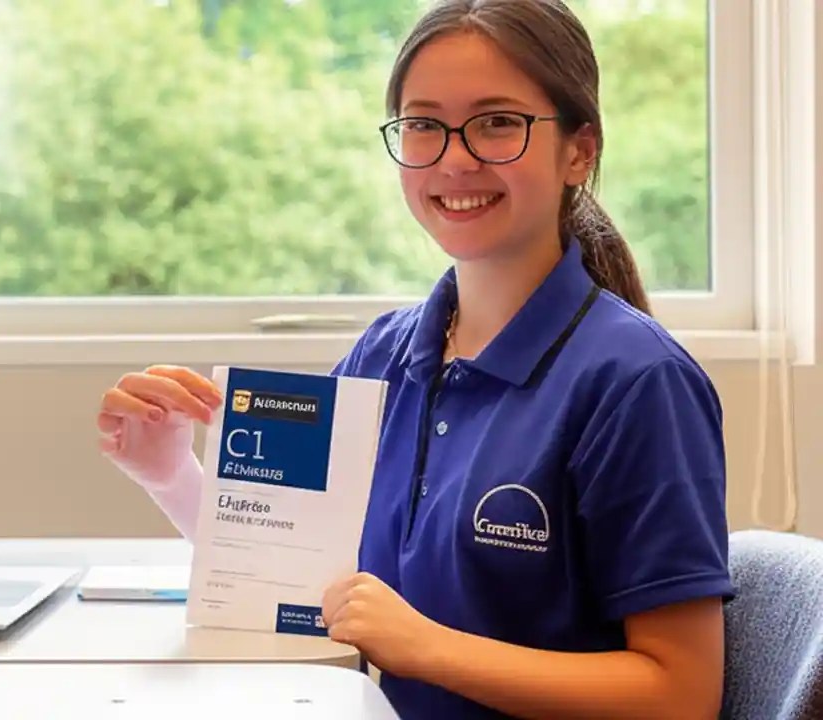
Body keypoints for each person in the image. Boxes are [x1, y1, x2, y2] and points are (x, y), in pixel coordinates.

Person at [95, 1, 733, 717]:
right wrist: (168, 470)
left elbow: (680, 694)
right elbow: (287, 580)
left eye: (497, 122)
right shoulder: (383, 355)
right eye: (425, 125)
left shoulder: (638, 382)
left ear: (578, 151)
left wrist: (426, 646)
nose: (455, 159)